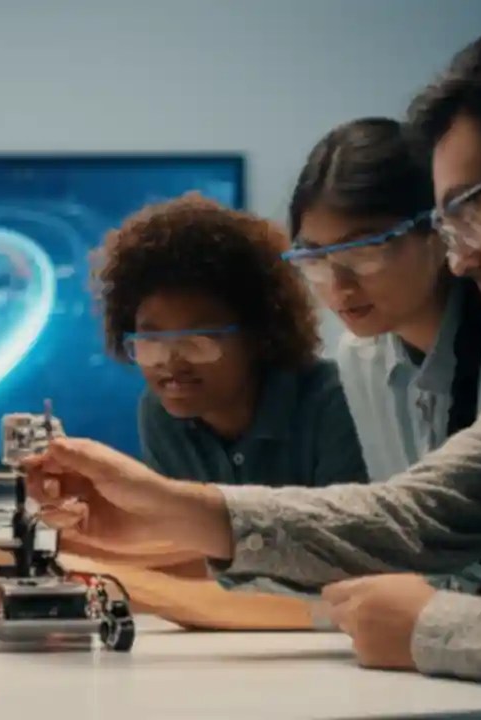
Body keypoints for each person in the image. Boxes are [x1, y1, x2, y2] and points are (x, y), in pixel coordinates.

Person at [26, 18, 481, 703]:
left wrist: (432, 627)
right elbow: (423, 514)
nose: (460, 258)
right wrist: (174, 507)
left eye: (467, 214)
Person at [57, 194, 365, 628]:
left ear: (260, 334)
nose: (169, 362)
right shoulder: (162, 415)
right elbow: (210, 558)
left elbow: (338, 583)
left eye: (197, 340)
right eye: (150, 340)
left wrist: (118, 583)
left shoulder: (337, 403)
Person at [283, 117, 481, 599]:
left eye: (364, 252)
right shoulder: (360, 355)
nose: (339, 287)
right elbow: (403, 535)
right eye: (315, 260)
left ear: (438, 232)